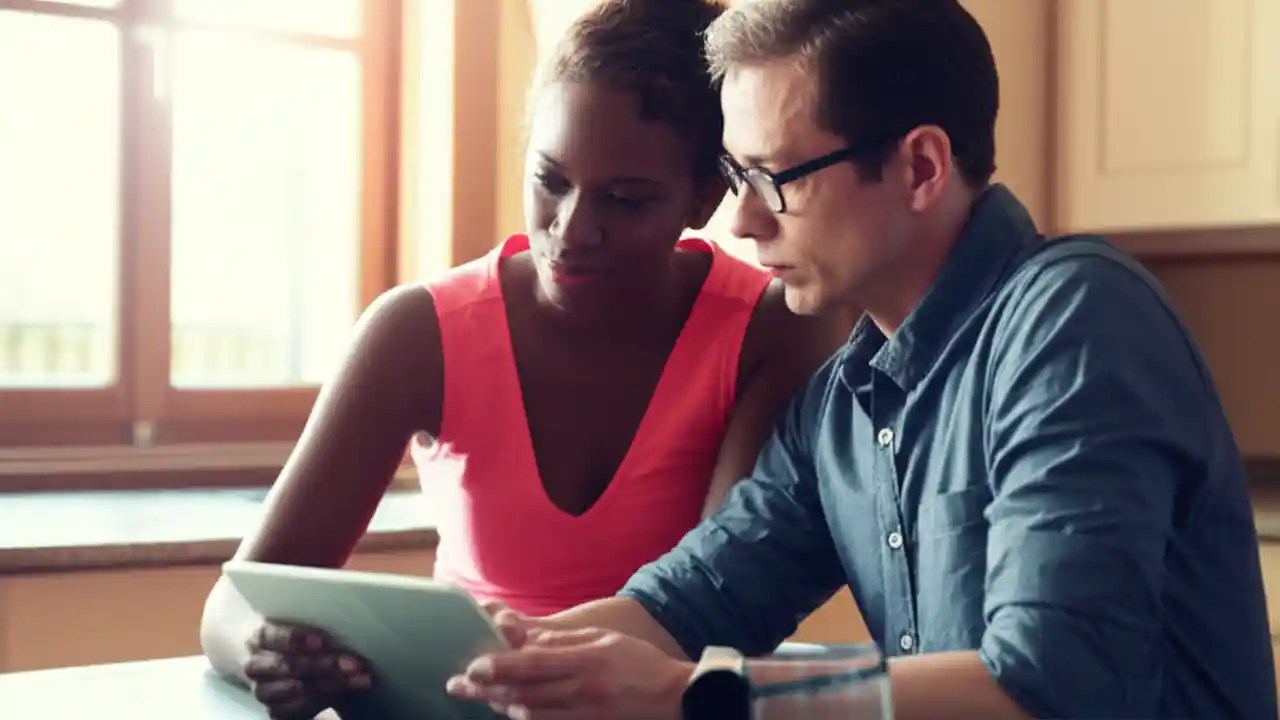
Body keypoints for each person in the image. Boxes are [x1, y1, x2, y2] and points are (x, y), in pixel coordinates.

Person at [444, 1, 1279, 718]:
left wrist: (686, 694)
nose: (743, 221)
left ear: (920, 167)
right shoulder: (844, 400)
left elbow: (1049, 687)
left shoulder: (1073, 320)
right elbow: (686, 603)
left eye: (773, 177)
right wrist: (473, 660)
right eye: (736, 174)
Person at [198, 0, 848, 717]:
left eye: (624, 200)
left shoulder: (772, 329)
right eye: (550, 180)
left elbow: (719, 605)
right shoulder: (417, 332)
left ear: (703, 198)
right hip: (457, 703)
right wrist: (266, 649)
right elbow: (234, 601)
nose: (572, 230)